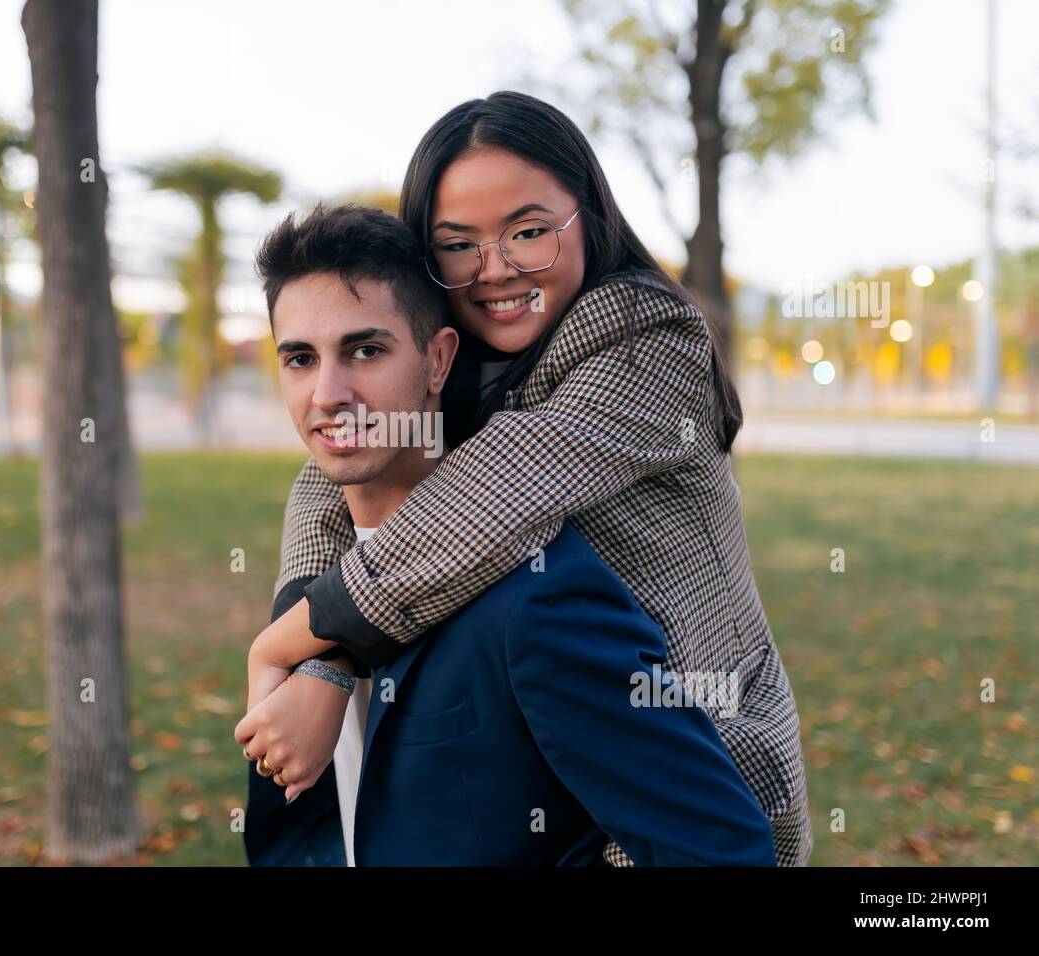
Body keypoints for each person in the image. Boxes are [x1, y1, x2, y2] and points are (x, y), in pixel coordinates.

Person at [241, 91, 811, 866]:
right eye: (458, 244)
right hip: (559, 773)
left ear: (590, 217)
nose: (497, 269)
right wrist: (319, 661)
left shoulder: (646, 339)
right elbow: (328, 480)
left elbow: (496, 494)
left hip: (708, 766)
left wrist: (299, 642)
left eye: (530, 231)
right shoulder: (470, 361)